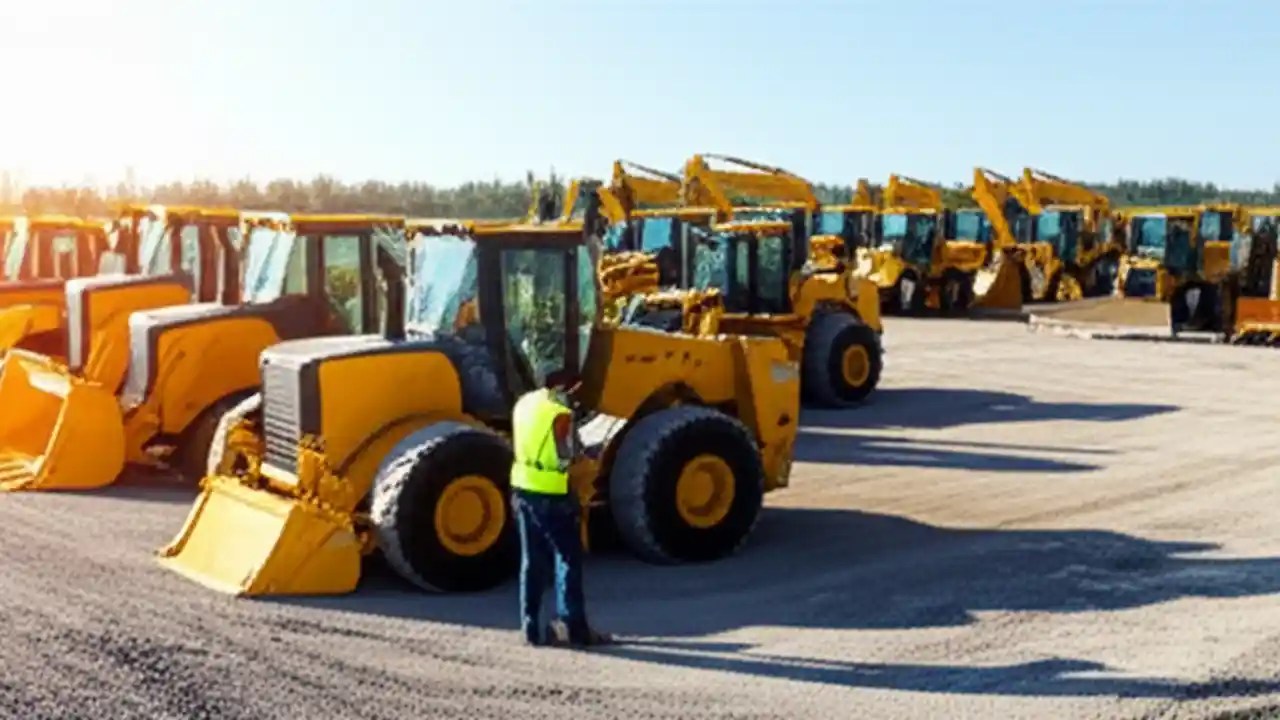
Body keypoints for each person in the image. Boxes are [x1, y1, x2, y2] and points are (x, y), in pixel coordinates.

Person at [510, 370, 613, 648]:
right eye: (572, 391)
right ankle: (575, 629)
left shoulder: (525, 403)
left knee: (531, 561)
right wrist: (588, 454)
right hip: (551, 493)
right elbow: (567, 453)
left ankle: (530, 628)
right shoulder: (559, 414)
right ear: (560, 387)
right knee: (568, 558)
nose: (573, 398)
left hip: (522, 487)